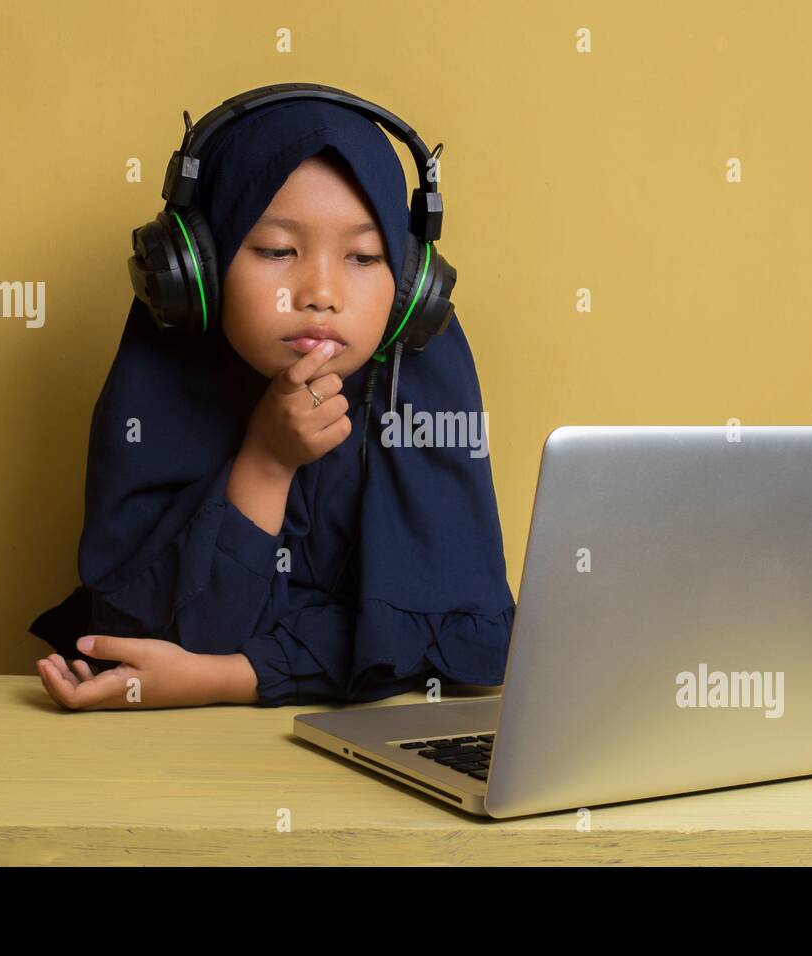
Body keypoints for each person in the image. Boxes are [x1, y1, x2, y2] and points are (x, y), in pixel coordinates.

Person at [27, 96, 516, 710]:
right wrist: (267, 460)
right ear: (194, 272)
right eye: (278, 251)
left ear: (411, 289)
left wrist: (227, 677)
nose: (320, 293)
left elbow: (453, 646)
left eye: (364, 257)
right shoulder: (158, 385)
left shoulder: (424, 382)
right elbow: (143, 641)